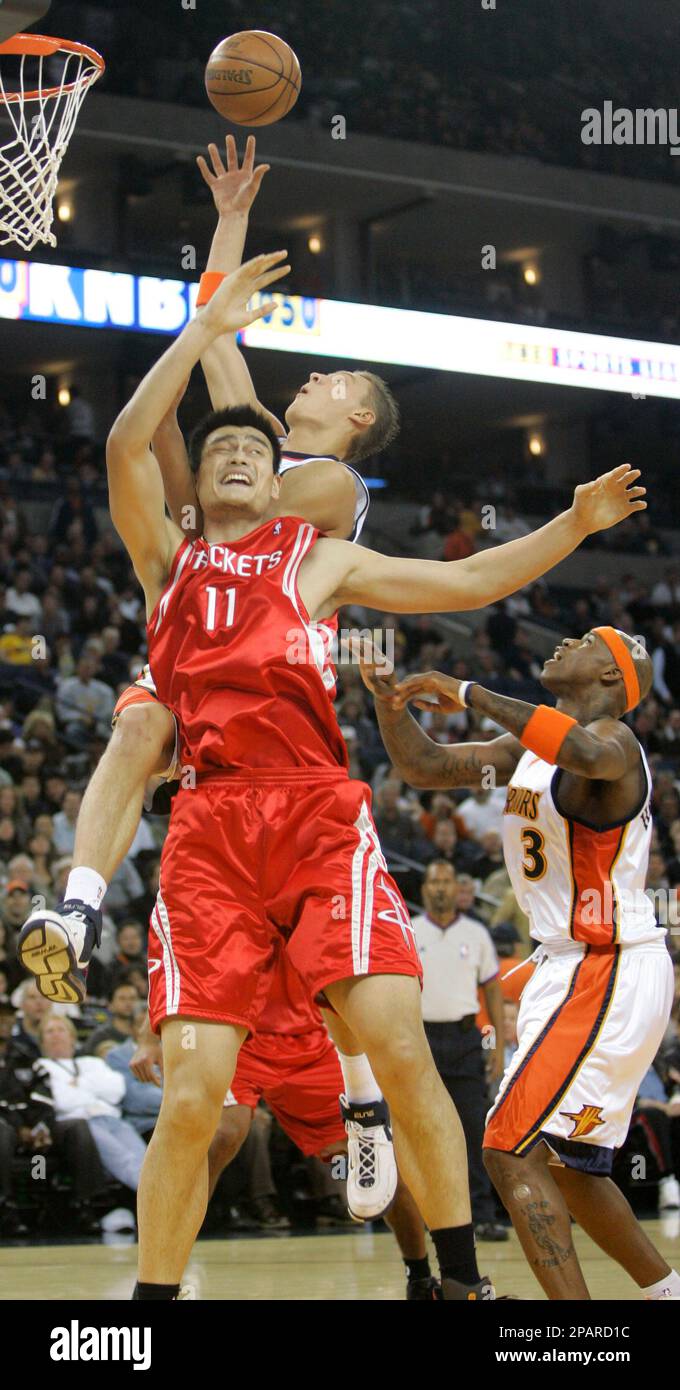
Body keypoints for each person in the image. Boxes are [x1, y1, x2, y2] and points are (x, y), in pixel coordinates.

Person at [26, 253, 644, 1302]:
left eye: (247, 449)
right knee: (192, 1099)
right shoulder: (164, 559)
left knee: (400, 1044)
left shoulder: (315, 558)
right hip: (211, 817)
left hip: (312, 810)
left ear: (278, 489)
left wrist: (571, 527)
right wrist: (199, 325)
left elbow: (467, 579)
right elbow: (133, 439)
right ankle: (148, 1306)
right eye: (216, 446)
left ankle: (455, 1277)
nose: (229, 453)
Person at [361, 625, 680, 1300]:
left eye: (589, 641)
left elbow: (585, 751)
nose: (566, 641)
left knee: (507, 1147)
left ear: (610, 681)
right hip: (570, 965)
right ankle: (664, 1291)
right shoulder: (526, 751)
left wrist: (471, 691)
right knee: (567, 1167)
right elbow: (426, 768)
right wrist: (393, 711)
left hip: (607, 964)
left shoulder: (615, 742)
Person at [131, 940, 441, 1300]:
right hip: (236, 1034)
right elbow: (178, 950)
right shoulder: (217, 890)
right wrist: (147, 1033)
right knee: (222, 1134)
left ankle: (419, 1276)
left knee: (376, 1155)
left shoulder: (305, 890)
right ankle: (164, 1279)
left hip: (308, 1042)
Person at [411, 859, 507, 1241]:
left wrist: (496, 1044)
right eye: (433, 881)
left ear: (457, 888)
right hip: (422, 1042)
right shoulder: (410, 931)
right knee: (425, 1132)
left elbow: (494, 992)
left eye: (446, 881)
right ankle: (429, 1217)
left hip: (466, 1041)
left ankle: (482, 1214)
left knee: (472, 1128)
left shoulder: (477, 933)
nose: (439, 888)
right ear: (424, 890)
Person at [38, 1015, 147, 1192]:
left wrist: (79, 1084)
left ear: (73, 1038)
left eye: (61, 1030)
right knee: (125, 1161)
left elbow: (116, 1090)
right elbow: (61, 1101)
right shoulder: (42, 1066)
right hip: (81, 1124)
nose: (56, 1035)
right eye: (50, 1031)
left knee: (145, 1159)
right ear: (42, 1042)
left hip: (112, 1119)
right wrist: (94, 1090)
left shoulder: (92, 1062)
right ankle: (163, 1201)